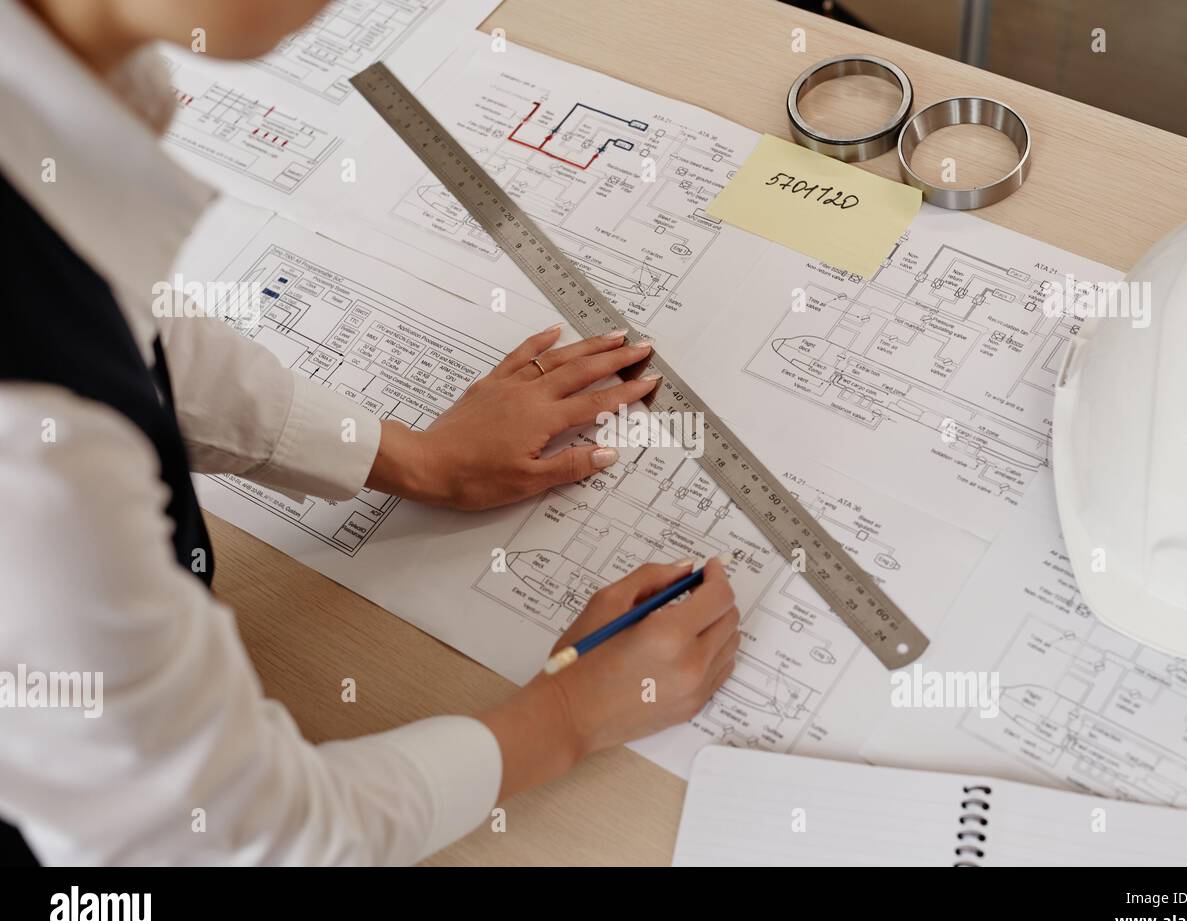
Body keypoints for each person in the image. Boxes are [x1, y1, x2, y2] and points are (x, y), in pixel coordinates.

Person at [0, 0, 740, 865]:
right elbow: (231, 843)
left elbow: (126, 313)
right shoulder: (34, 456)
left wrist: (408, 457)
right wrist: (566, 717)